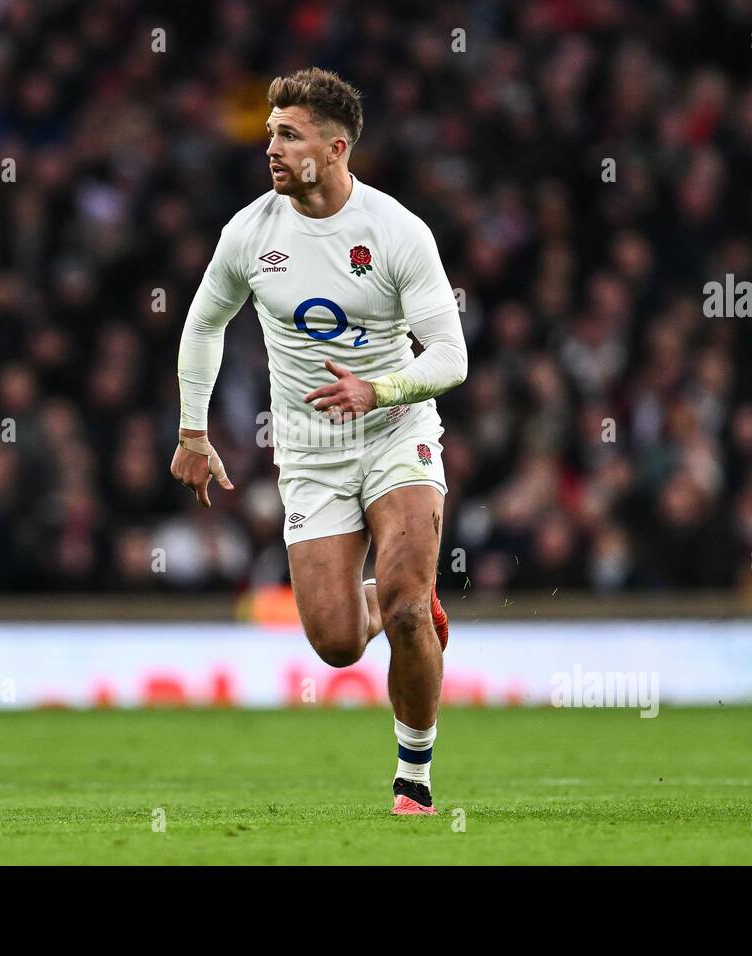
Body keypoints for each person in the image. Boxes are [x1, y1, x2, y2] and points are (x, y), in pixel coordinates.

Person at [171, 67, 468, 815]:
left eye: (288, 134)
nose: (270, 147)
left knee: (403, 610)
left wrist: (381, 388)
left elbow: (451, 357)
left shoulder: (397, 232)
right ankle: (406, 599)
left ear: (335, 149)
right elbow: (206, 322)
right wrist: (193, 430)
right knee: (337, 642)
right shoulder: (249, 232)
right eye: (271, 132)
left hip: (397, 434)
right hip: (308, 455)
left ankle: (415, 778)